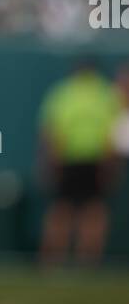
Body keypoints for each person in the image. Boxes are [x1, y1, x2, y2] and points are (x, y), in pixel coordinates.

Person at [39, 62, 122, 266]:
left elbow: (51, 131)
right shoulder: (106, 94)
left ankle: (52, 260)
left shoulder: (63, 93)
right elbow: (113, 133)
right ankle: (87, 261)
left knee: (63, 210)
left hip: (69, 158)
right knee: (93, 211)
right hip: (96, 159)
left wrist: (50, 161)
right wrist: (112, 165)